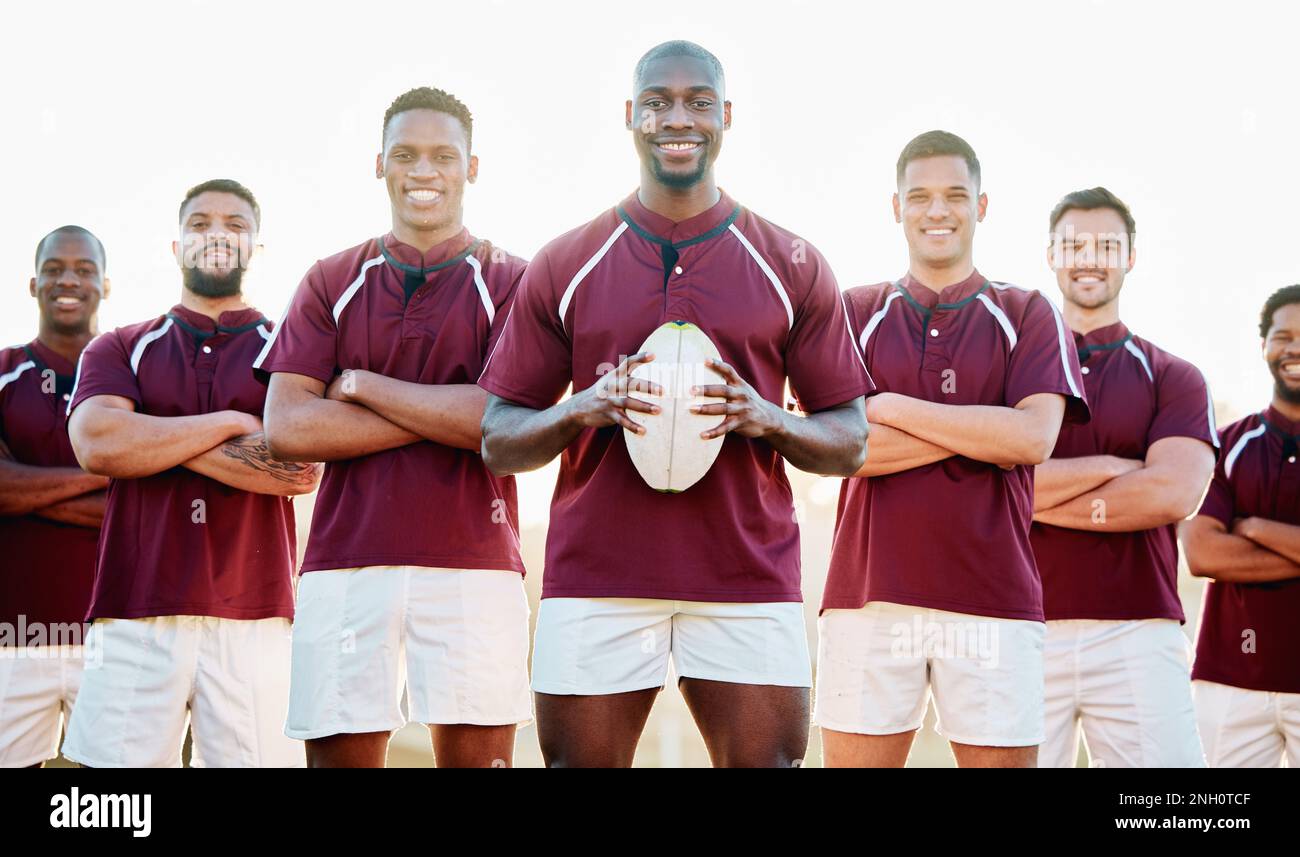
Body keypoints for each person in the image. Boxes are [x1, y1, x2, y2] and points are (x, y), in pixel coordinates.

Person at [478, 41, 872, 768]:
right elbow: (499, 437)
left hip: (745, 576)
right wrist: (581, 408)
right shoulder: (566, 261)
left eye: (698, 101)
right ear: (631, 117)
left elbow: (850, 440)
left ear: (726, 116)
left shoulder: (791, 261)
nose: (677, 118)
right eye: (657, 102)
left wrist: (765, 416)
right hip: (598, 574)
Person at [258, 87, 530, 768]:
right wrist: (451, 412)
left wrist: (364, 389)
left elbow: (509, 424)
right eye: (405, 154)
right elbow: (289, 427)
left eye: (444, 155)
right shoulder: (330, 278)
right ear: (379, 164)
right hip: (346, 562)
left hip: (475, 560)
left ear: (473, 167)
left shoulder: (515, 280)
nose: (424, 170)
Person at [818, 130, 1089, 768]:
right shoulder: (854, 311)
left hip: (993, 602)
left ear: (982, 205)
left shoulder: (1027, 312)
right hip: (868, 598)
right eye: (920, 197)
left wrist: (891, 409)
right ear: (896, 208)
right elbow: (845, 450)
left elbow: (1031, 438)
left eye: (954, 196)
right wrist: (982, 434)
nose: (937, 211)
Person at [61, 180, 319, 767]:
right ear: (176, 246)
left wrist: (151, 435)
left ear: (255, 244)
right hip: (134, 610)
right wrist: (233, 422)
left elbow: (300, 467)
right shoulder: (118, 345)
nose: (217, 234)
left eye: (234, 223)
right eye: (200, 223)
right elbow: (99, 445)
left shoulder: (291, 348)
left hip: (258, 616)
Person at [1030, 187, 1217, 767]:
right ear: (1052, 254)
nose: (1090, 257)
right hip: (1021, 628)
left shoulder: (1175, 376)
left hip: (1140, 631)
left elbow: (1172, 493)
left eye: (1108, 245)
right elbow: (983, 486)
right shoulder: (1008, 370)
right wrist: (1114, 468)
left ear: (1130, 256)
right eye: (1074, 244)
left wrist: (1030, 491)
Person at [0, 226, 110, 767]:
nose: (69, 279)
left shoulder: (133, 375)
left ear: (105, 285)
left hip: (116, 637)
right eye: (55, 268)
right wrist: (104, 471)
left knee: (116, 804)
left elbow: (142, 505)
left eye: (85, 269)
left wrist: (25, 485)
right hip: (11, 637)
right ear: (32, 283)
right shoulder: (3, 372)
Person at [1179, 285, 1300, 767]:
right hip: (1230, 681)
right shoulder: (1228, 442)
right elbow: (1202, 554)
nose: (1293, 348)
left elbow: (1223, 543)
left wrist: (1253, 528)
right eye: (1282, 335)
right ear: (1264, 346)